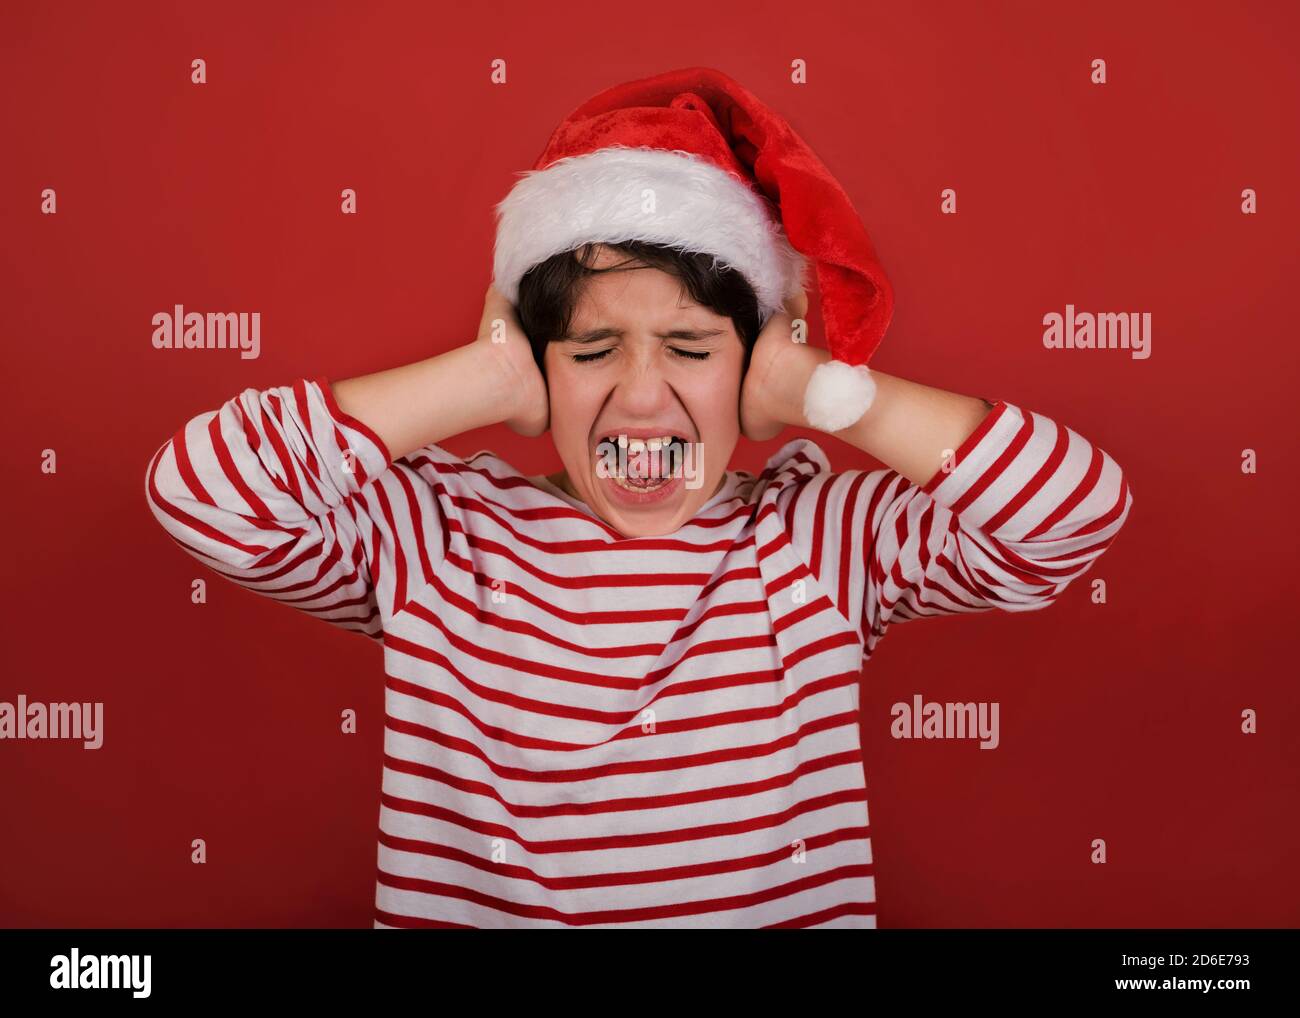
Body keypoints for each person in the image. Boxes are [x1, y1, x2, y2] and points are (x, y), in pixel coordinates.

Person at [144, 70, 1133, 928]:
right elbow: (205, 494)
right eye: (592, 349)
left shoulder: (812, 539)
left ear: (753, 368)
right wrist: (480, 380)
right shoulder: (433, 537)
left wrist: (820, 390)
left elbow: (1069, 511)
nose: (644, 393)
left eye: (693, 349)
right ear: (537, 364)